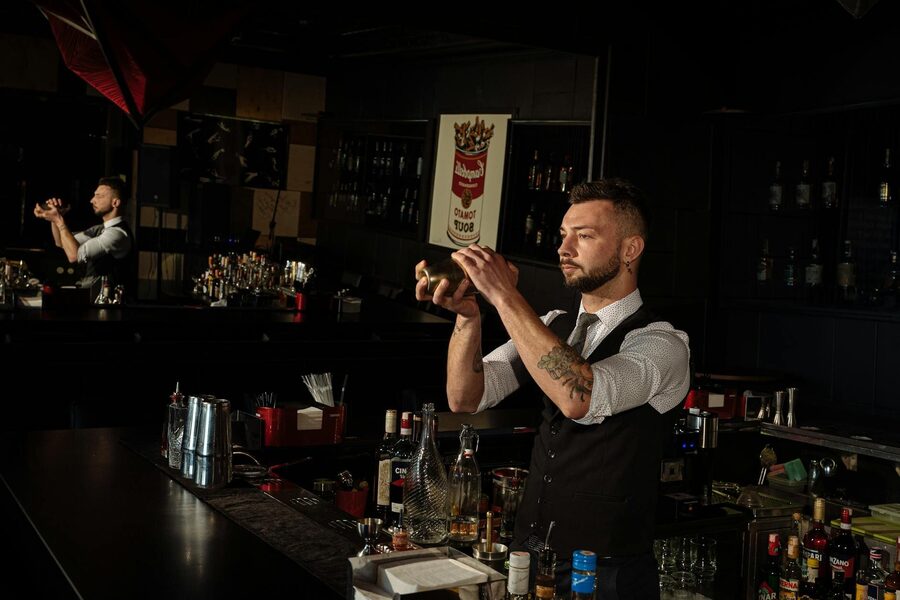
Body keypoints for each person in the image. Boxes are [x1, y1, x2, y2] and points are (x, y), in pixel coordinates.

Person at [415, 178, 690, 599]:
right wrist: (470, 318)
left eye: (584, 236)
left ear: (630, 250)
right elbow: (466, 397)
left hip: (608, 574)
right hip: (531, 556)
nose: (564, 249)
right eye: (564, 235)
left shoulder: (661, 343)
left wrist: (504, 295)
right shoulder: (551, 325)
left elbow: (579, 395)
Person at [33, 176, 134, 291]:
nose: (92, 200)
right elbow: (61, 243)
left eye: (99, 196)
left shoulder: (118, 234)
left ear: (115, 202)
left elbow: (74, 255)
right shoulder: (100, 229)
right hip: (90, 296)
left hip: (106, 303)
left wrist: (58, 220)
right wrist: (55, 216)